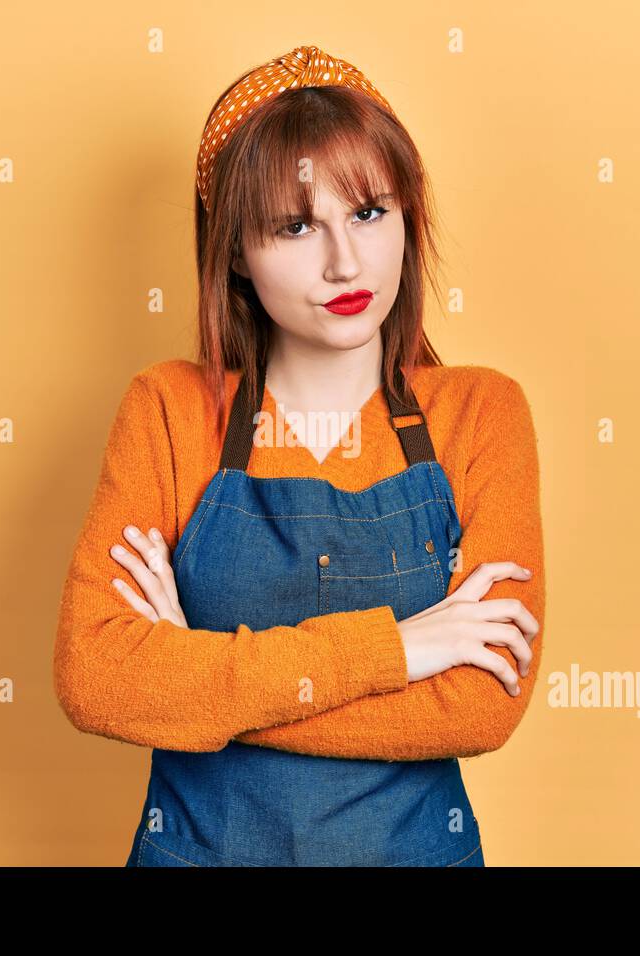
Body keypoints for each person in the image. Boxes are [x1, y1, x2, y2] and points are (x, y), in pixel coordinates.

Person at [53, 44, 545, 867]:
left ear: (409, 218)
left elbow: (479, 706)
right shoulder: (170, 411)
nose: (344, 262)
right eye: (294, 225)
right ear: (236, 253)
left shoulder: (481, 414)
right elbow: (97, 677)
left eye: (368, 212)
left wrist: (198, 682)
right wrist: (402, 650)